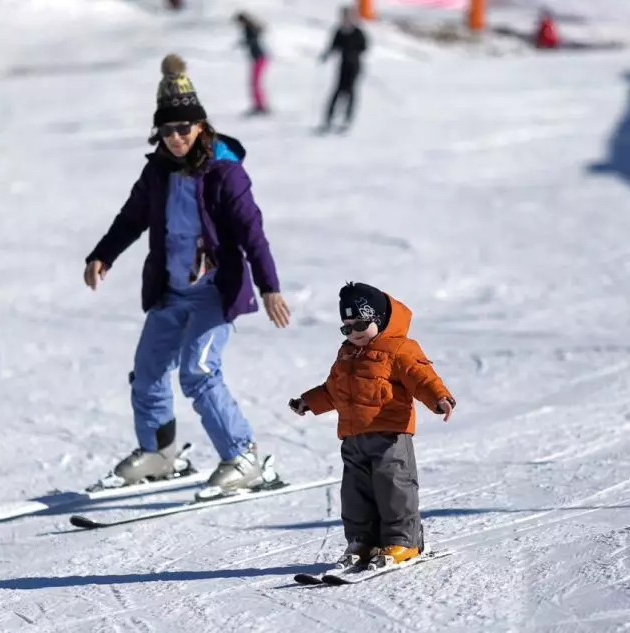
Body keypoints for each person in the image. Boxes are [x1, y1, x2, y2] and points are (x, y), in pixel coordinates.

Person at [84, 53, 292, 499]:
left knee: (198, 370)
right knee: (147, 371)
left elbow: (251, 230)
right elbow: (132, 216)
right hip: (171, 290)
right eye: (167, 130)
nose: (176, 138)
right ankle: (159, 453)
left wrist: (269, 286)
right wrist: (104, 254)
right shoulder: (157, 170)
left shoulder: (225, 173)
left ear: (201, 127)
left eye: (184, 128)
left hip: (215, 293)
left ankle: (244, 457)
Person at [289, 282, 456, 568]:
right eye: (346, 327)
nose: (353, 333)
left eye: (360, 325)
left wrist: (438, 398)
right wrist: (309, 402)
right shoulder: (346, 355)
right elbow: (333, 390)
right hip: (353, 438)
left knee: (394, 488)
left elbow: (421, 377)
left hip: (389, 436)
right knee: (355, 494)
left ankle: (404, 542)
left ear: (377, 319)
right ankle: (361, 541)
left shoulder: (399, 349)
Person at [319, 5, 368, 132]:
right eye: (343, 17)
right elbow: (333, 46)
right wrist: (326, 55)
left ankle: (347, 119)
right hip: (343, 65)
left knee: (350, 91)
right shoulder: (339, 31)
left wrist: (354, 53)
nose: (345, 19)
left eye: (348, 17)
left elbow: (364, 47)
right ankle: (328, 119)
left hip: (355, 65)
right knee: (337, 91)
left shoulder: (358, 32)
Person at [234, 11, 269, 116]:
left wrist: (245, 43)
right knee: (255, 83)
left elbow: (252, 41)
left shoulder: (249, 29)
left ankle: (260, 106)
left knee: (255, 83)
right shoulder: (251, 28)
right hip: (259, 58)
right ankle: (259, 105)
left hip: (259, 58)